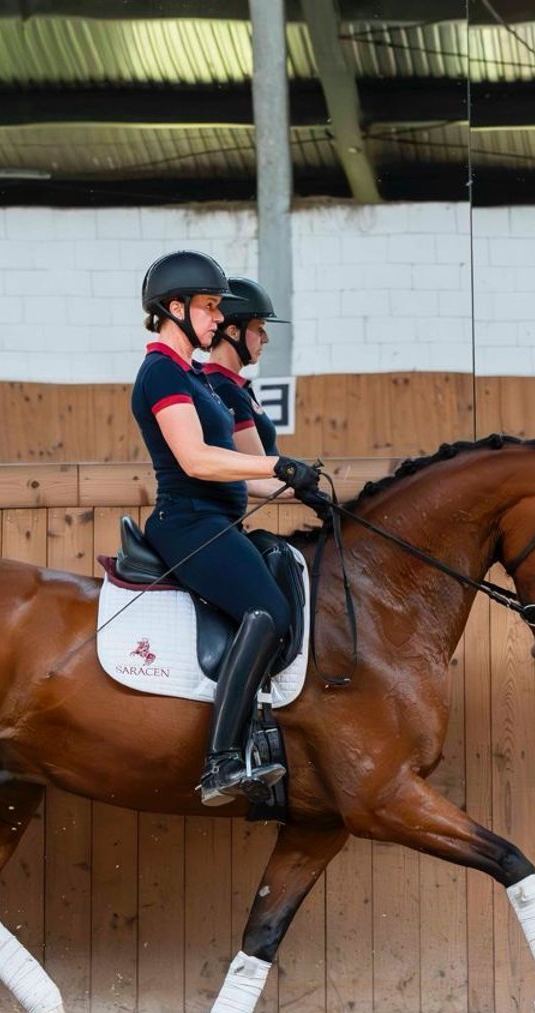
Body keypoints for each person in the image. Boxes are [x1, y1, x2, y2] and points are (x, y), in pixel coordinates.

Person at [131, 250, 324, 805]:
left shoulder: (194, 375)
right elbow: (195, 460)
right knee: (269, 611)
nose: (218, 319)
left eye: (219, 309)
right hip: (187, 522)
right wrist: (273, 464)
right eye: (210, 307)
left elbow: (242, 477)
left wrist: (302, 487)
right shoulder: (161, 372)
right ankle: (221, 761)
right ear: (175, 308)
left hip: (215, 518)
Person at [202, 276, 285, 459]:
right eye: (259, 329)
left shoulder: (226, 384)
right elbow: (258, 466)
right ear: (233, 332)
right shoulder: (225, 389)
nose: (265, 339)